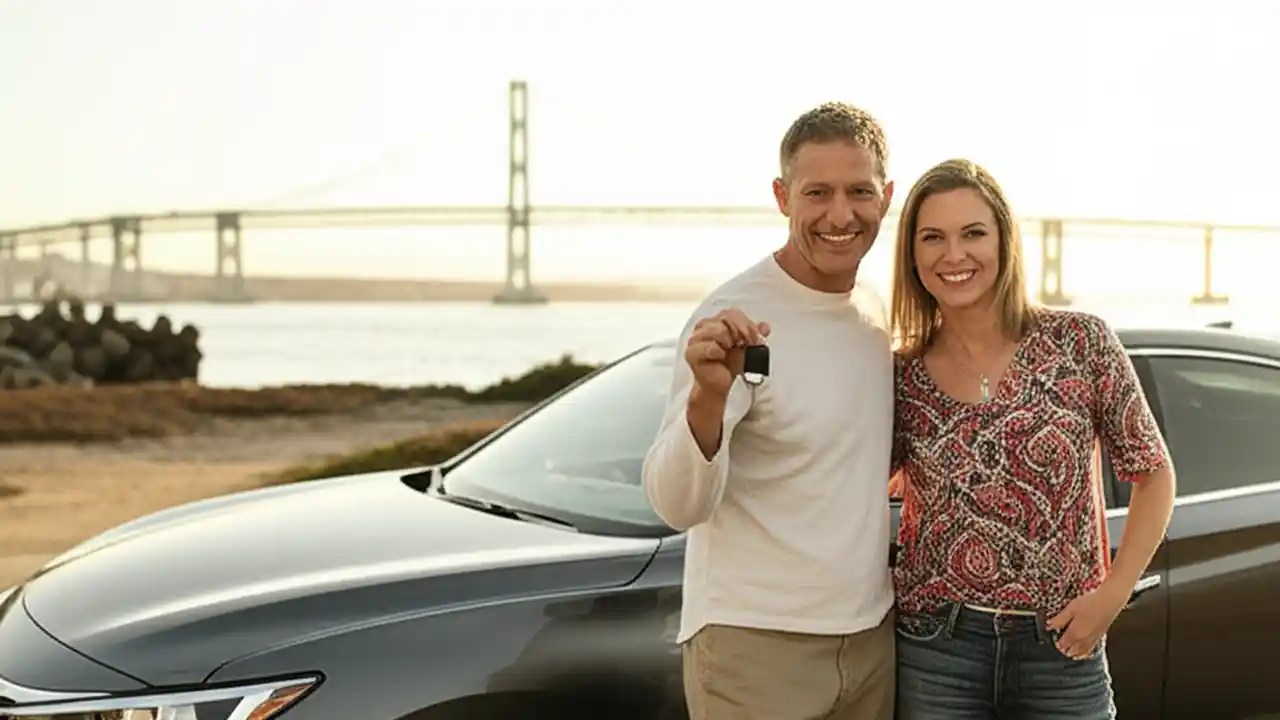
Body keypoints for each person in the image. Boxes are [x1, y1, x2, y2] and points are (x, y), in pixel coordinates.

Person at [887, 158, 1177, 719]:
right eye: (933, 238)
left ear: (1004, 239)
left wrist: (1111, 597)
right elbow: (838, 480)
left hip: (1063, 647)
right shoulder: (901, 375)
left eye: (973, 233)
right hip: (935, 652)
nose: (954, 255)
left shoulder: (1080, 342)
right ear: (913, 256)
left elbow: (1154, 473)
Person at [640, 101, 898, 720]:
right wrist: (706, 396)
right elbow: (676, 505)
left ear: (886, 197)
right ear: (783, 197)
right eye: (818, 193)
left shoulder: (875, 311)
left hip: (871, 641)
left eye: (859, 191)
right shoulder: (732, 314)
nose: (841, 215)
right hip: (752, 647)